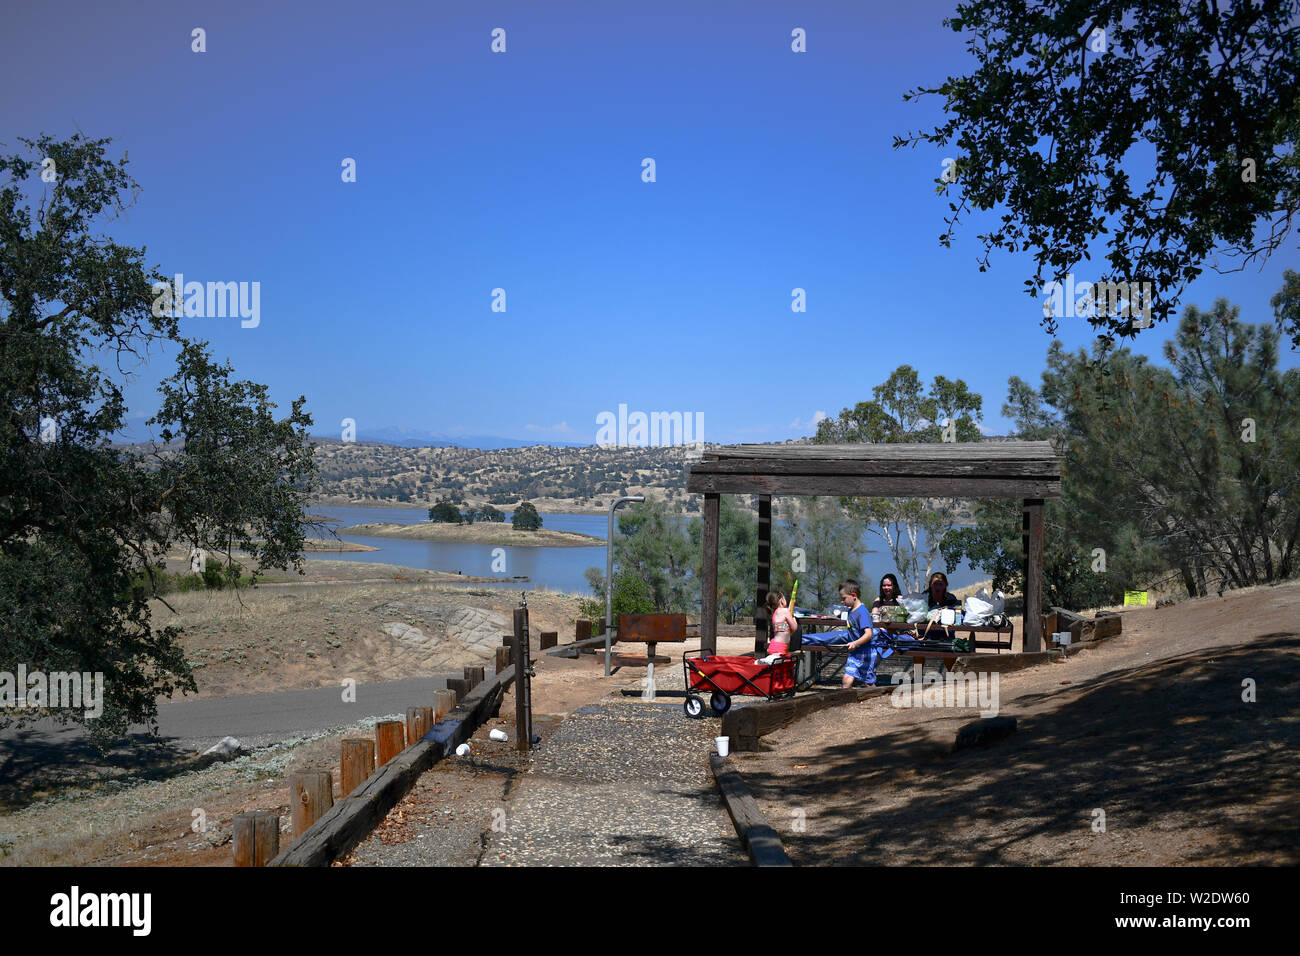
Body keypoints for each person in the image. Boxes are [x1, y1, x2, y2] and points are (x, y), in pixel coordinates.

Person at [800, 580, 884, 687]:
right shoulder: (851, 611)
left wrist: (855, 643)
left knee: (868, 682)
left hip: (865, 653)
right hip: (854, 653)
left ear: (853, 595)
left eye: (844, 598)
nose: (842, 601)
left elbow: (868, 634)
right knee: (847, 678)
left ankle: (873, 697)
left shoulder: (862, 612)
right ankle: (844, 698)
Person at [765, 589, 799, 655]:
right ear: (781, 601)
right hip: (780, 647)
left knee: (778, 665)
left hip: (776, 646)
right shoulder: (785, 611)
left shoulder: (775, 613)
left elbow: (786, 630)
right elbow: (794, 628)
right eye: (784, 598)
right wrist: (792, 615)